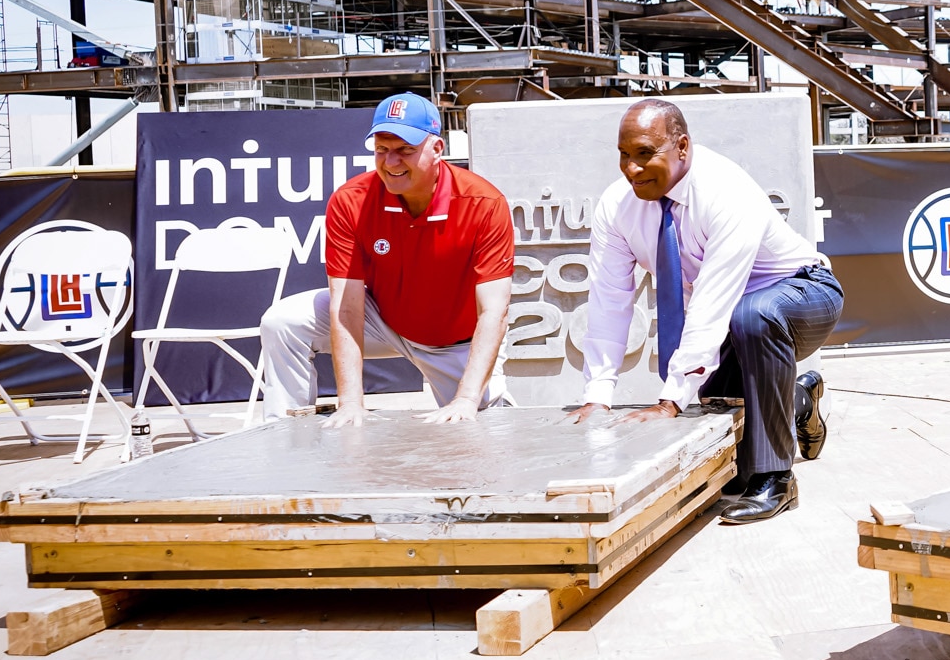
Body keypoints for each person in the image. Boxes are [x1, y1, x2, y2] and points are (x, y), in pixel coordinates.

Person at [567, 100, 841, 525]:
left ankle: (776, 479)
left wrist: (671, 400)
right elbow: (609, 300)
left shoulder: (725, 189)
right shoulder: (617, 206)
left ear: (681, 146)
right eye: (623, 154)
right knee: (721, 416)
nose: (631, 169)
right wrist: (597, 396)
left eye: (644, 154)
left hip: (803, 295)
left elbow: (714, 299)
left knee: (751, 317)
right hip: (736, 315)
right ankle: (800, 400)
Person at [261, 92, 515, 426]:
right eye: (381, 150)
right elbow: (347, 306)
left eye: (405, 151)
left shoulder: (484, 202)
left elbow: (494, 311)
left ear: (437, 149)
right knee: (281, 322)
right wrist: (350, 403)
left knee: (488, 441)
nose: (390, 163)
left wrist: (467, 398)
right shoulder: (350, 200)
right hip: (383, 319)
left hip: (455, 342)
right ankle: (285, 437)